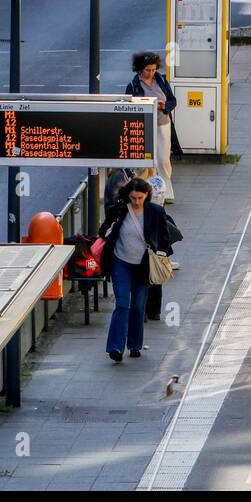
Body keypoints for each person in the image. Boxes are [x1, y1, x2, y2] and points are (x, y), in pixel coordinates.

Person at [99, 177, 181, 361]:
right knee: (122, 304)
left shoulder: (155, 212)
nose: (136, 201)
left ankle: (135, 344)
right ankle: (115, 348)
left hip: (144, 266)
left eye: (140, 198)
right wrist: (109, 229)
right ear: (128, 195)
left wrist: (160, 252)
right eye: (133, 197)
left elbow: (165, 238)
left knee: (137, 306)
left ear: (147, 196)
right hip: (121, 263)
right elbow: (102, 232)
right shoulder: (118, 210)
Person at [126, 51, 180, 203]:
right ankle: (150, 193)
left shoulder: (161, 80)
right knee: (149, 161)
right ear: (140, 69)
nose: (151, 73)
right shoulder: (133, 85)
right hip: (144, 126)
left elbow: (173, 100)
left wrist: (165, 106)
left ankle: (166, 191)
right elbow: (128, 106)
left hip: (163, 124)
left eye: (154, 69)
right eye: (148, 70)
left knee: (163, 160)